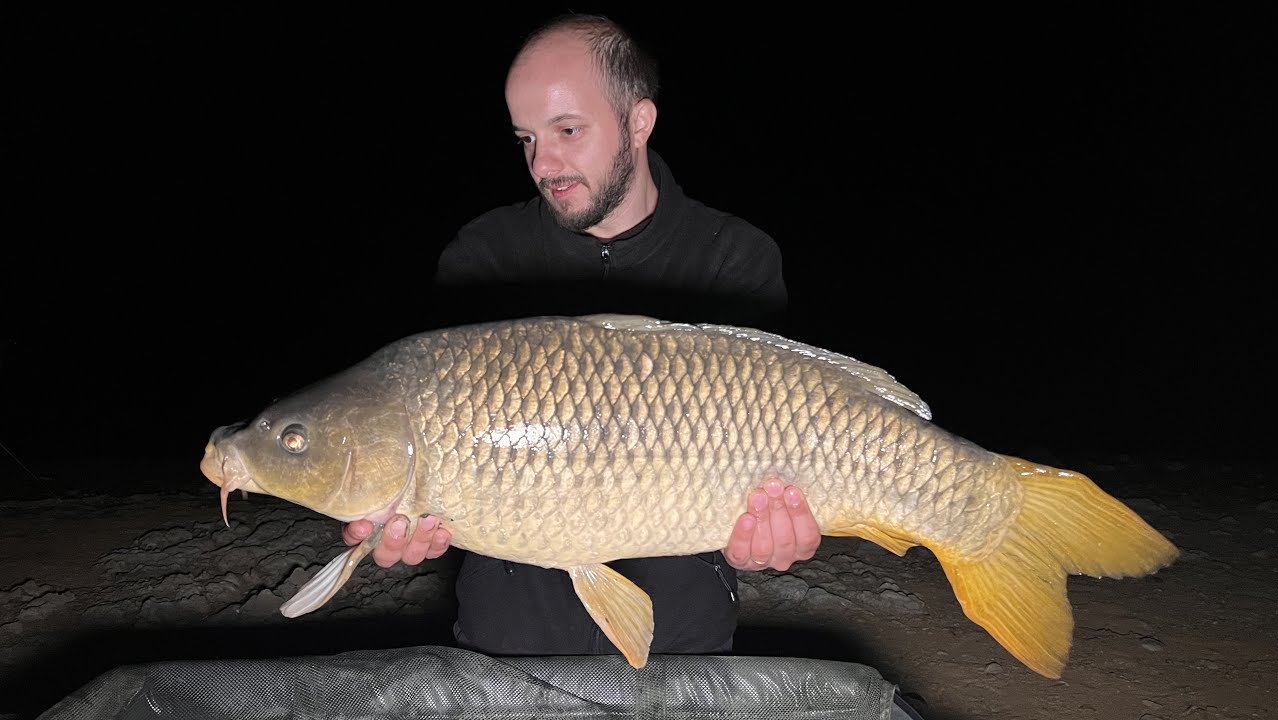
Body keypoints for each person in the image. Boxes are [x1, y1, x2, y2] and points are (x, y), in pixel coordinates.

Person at [344, 13, 924, 719]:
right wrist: (401, 525)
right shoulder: (482, 258)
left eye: (567, 130)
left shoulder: (733, 258)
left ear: (639, 121)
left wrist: (769, 541)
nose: (542, 164)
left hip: (686, 643)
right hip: (506, 643)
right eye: (526, 138)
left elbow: (784, 460)